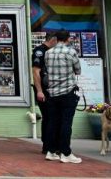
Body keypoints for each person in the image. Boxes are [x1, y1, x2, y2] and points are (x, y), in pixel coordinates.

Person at [44, 30, 82, 163]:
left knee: (52, 122)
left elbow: (47, 70)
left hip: (52, 92)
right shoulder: (70, 52)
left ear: (56, 38)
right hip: (67, 91)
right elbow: (78, 70)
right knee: (66, 123)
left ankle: (51, 151)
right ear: (68, 39)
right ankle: (65, 153)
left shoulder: (48, 53)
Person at [31, 32, 58, 155]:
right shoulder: (40, 51)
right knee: (48, 116)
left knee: (51, 116)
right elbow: (36, 72)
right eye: (57, 42)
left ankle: (50, 144)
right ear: (52, 40)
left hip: (51, 89)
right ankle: (47, 145)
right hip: (43, 89)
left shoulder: (50, 51)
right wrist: (40, 91)